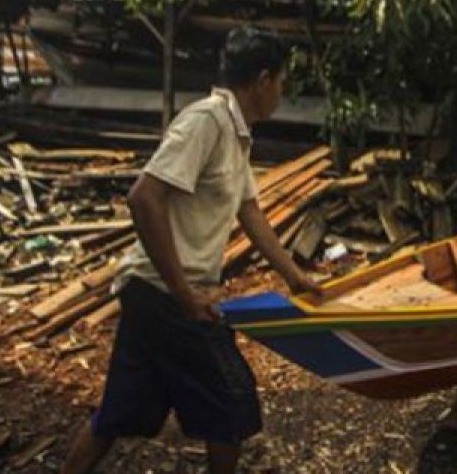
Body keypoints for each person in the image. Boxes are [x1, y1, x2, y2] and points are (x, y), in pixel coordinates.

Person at [60, 27, 321, 474]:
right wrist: (185, 293)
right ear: (262, 80)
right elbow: (144, 197)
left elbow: (251, 212)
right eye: (281, 81)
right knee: (231, 405)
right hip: (165, 294)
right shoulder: (207, 122)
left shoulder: (238, 134)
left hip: (154, 294)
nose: (282, 92)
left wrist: (295, 277)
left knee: (122, 411)